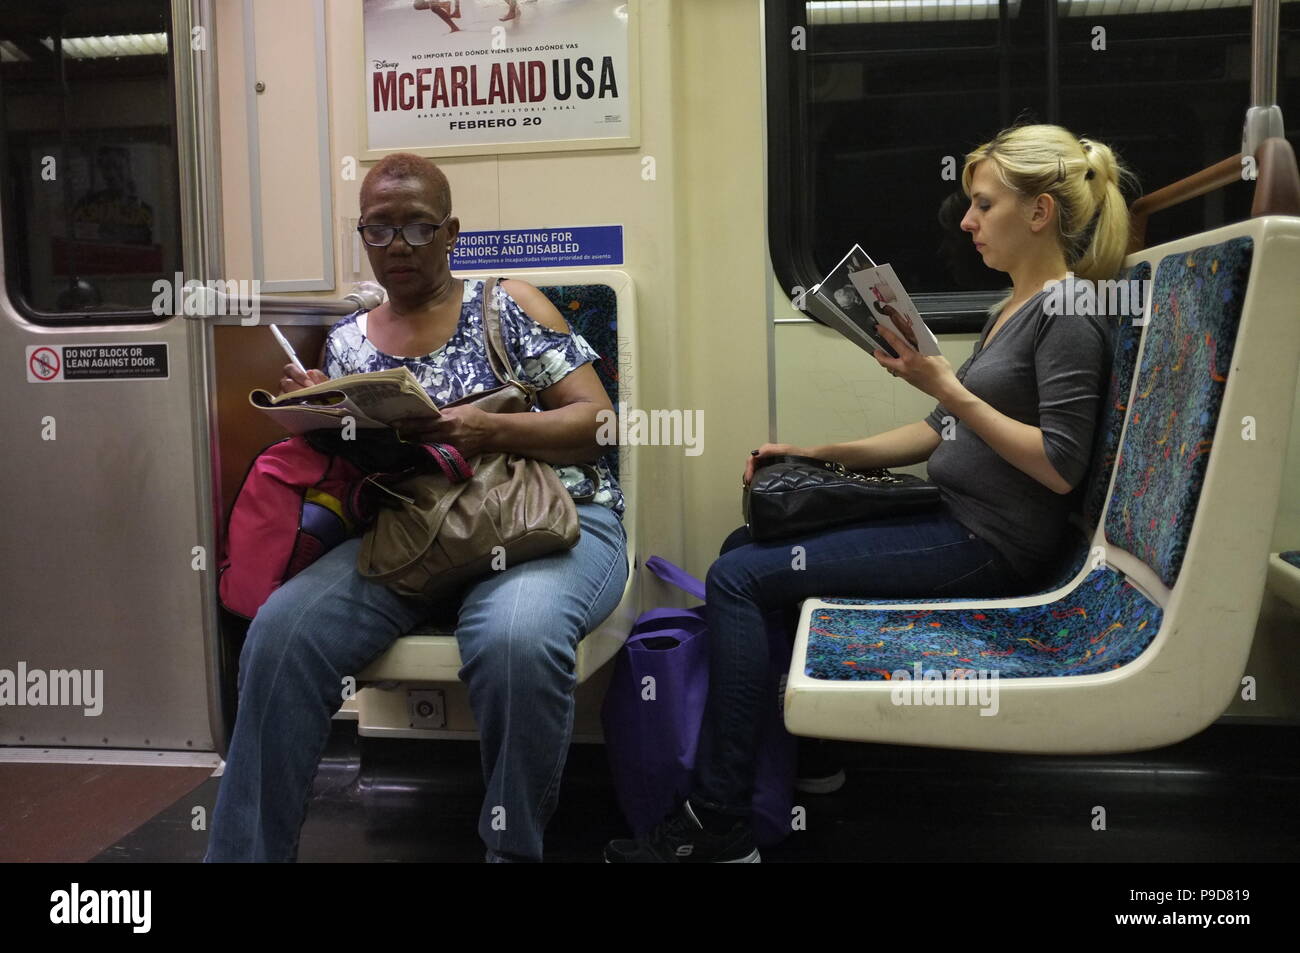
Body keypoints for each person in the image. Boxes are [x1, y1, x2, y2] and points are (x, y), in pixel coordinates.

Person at [604, 123, 1133, 862]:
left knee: (736, 579)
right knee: (743, 547)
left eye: (983, 205)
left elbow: (1058, 466)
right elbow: (938, 431)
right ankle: (814, 761)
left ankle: (719, 819)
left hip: (992, 544)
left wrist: (947, 384)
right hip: (954, 512)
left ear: (1039, 213)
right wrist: (816, 450)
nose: (969, 222)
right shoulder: (1010, 307)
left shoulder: (1068, 314)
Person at [207, 152, 628, 863]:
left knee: (516, 642)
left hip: (547, 521)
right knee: (282, 634)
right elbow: (366, 465)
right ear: (363, 236)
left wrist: (483, 427)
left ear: (451, 232)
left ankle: (512, 851)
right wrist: (324, 411)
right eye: (379, 228)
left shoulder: (509, 304)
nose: (396, 244)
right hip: (414, 529)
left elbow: (598, 425)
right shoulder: (348, 341)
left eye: (416, 226)